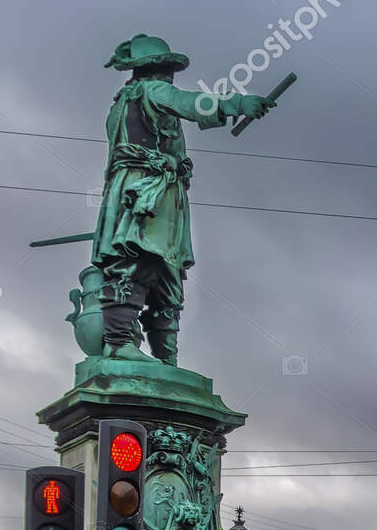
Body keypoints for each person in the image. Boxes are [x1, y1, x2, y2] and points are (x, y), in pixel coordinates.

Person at [92, 34, 275, 364]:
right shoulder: (153, 91)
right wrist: (238, 104)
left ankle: (163, 357)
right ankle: (121, 342)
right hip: (148, 189)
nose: (171, 75)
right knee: (140, 262)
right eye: (168, 68)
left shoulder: (121, 103)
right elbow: (193, 104)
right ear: (155, 68)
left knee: (164, 270)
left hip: (149, 189)